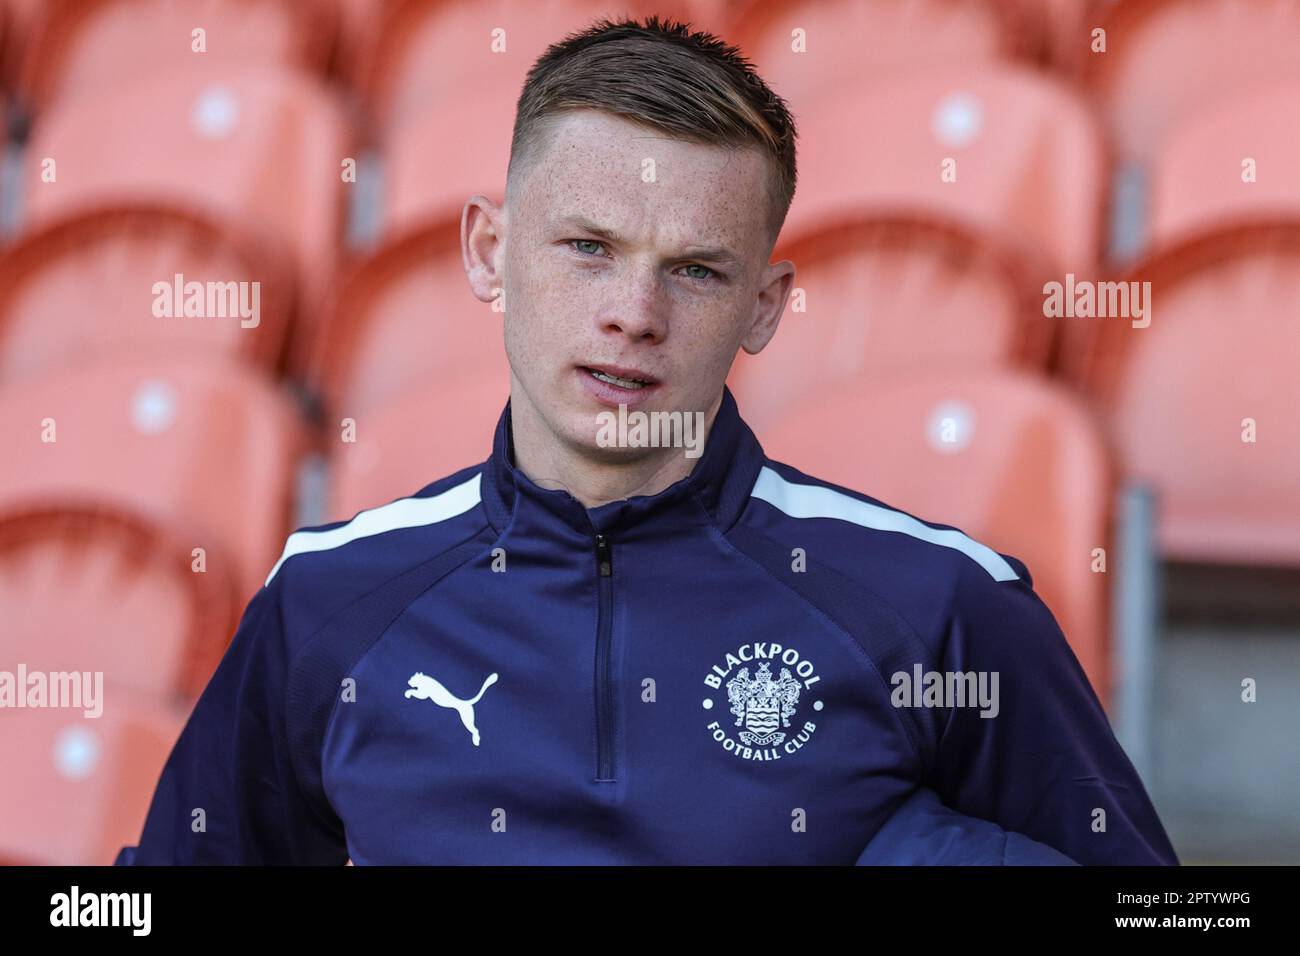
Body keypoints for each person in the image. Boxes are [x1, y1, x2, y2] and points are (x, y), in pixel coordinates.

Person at [116, 15, 1176, 865]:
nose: (634, 314)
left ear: (764, 306)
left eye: (696, 270)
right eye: (588, 248)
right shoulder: (328, 601)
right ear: (489, 253)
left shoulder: (939, 605)